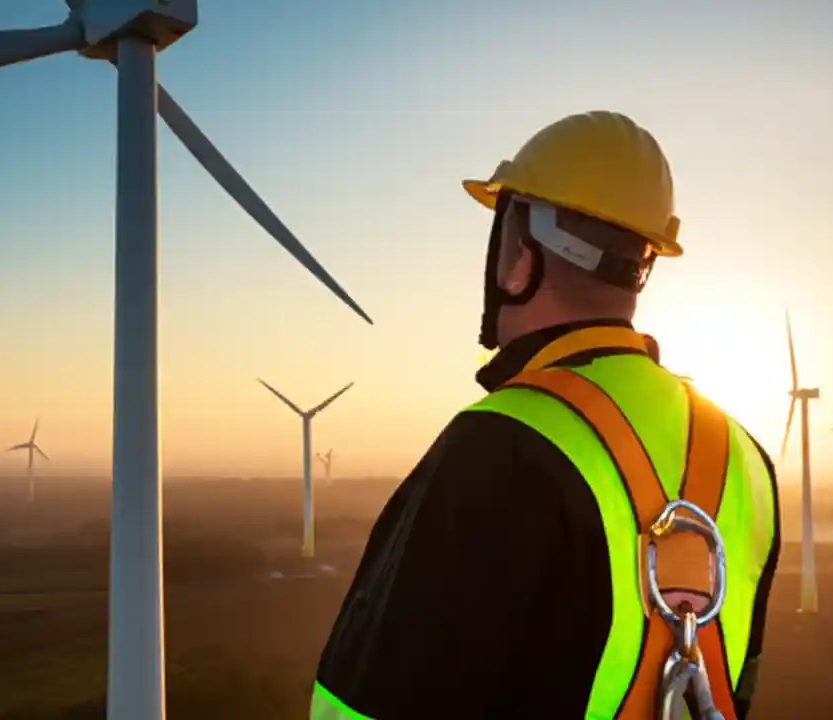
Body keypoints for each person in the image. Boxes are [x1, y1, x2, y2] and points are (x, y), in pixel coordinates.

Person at [310, 111, 781, 719]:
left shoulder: (496, 446)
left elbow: (370, 702)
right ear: (643, 264)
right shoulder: (746, 459)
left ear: (519, 251)